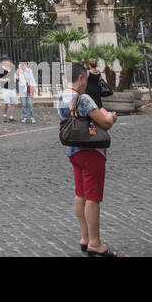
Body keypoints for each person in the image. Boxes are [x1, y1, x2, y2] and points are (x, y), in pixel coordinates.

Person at [59, 61, 117, 256]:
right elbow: (105, 123)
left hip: (73, 150)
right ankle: (94, 242)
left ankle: (84, 237)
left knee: (80, 194)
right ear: (81, 77)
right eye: (85, 79)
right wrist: (112, 117)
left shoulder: (62, 97)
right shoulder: (83, 99)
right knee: (93, 197)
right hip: (91, 151)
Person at [0, 56, 16, 122]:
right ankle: (4, 115)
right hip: (5, 88)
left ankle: (11, 117)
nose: (6, 62)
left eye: (7, 60)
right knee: (6, 102)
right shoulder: (1, 69)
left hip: (12, 87)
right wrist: (4, 80)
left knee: (13, 103)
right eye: (4, 61)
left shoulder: (12, 68)